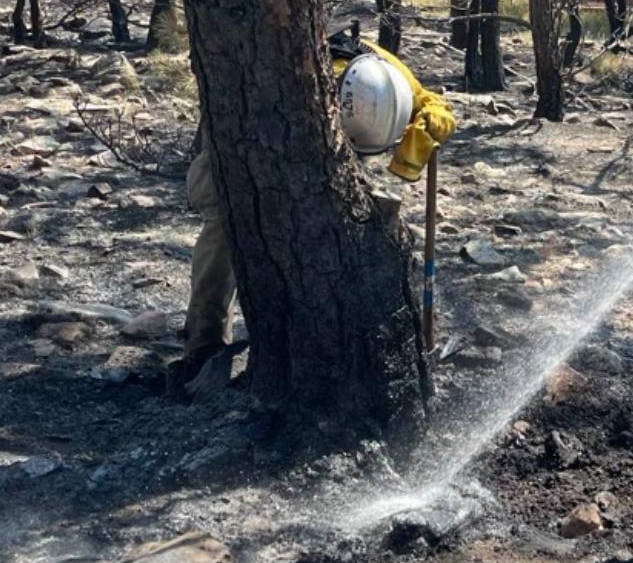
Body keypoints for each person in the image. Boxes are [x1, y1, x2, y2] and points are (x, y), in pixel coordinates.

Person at [182, 26, 454, 373]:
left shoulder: (386, 76)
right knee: (224, 220)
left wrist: (428, 121)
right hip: (241, 127)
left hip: (321, 133)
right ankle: (203, 345)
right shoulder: (286, 82)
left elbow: (429, 101)